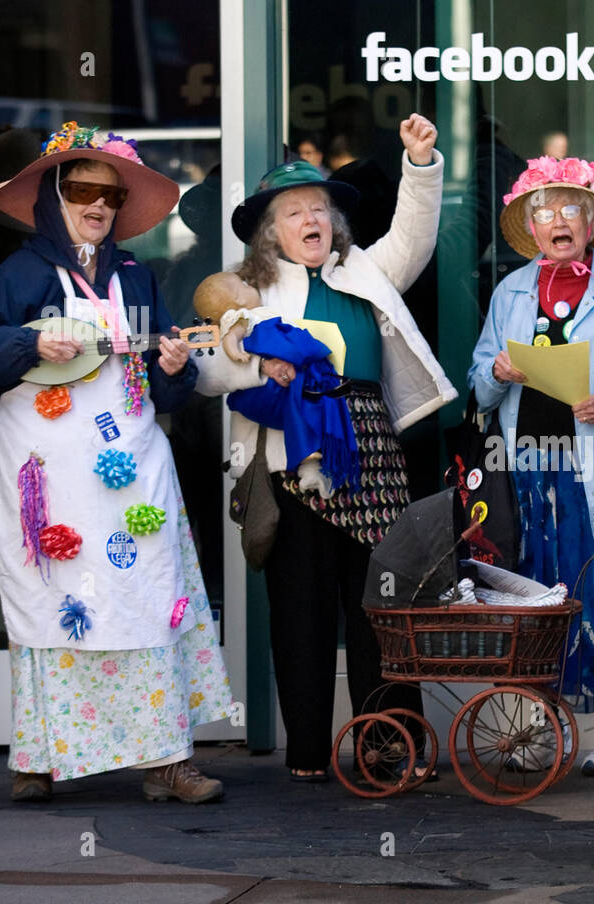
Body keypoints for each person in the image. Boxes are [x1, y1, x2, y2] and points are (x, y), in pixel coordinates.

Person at [0, 122, 233, 803]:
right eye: (81, 189)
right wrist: (26, 342)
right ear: (53, 196)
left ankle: (167, 761)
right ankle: (40, 756)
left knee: (145, 598)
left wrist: (173, 366)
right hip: (51, 476)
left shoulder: (137, 276)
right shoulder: (21, 271)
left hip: (132, 468)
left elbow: (164, 386)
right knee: (53, 602)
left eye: (109, 193)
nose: (97, 204)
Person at [195, 114, 456, 782]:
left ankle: (387, 743)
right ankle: (308, 752)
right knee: (301, 613)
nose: (311, 219)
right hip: (291, 460)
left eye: (319, 208)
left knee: (382, 607)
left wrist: (420, 164)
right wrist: (262, 366)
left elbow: (416, 237)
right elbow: (210, 373)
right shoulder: (245, 291)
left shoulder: (364, 270)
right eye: (293, 212)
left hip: (370, 448)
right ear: (269, 231)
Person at [467, 155, 594, 777]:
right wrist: (496, 372)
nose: (558, 220)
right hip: (530, 468)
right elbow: (478, 381)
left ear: (593, 221)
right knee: (538, 591)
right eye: (544, 212)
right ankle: (538, 724)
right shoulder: (511, 291)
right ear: (532, 228)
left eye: (572, 209)